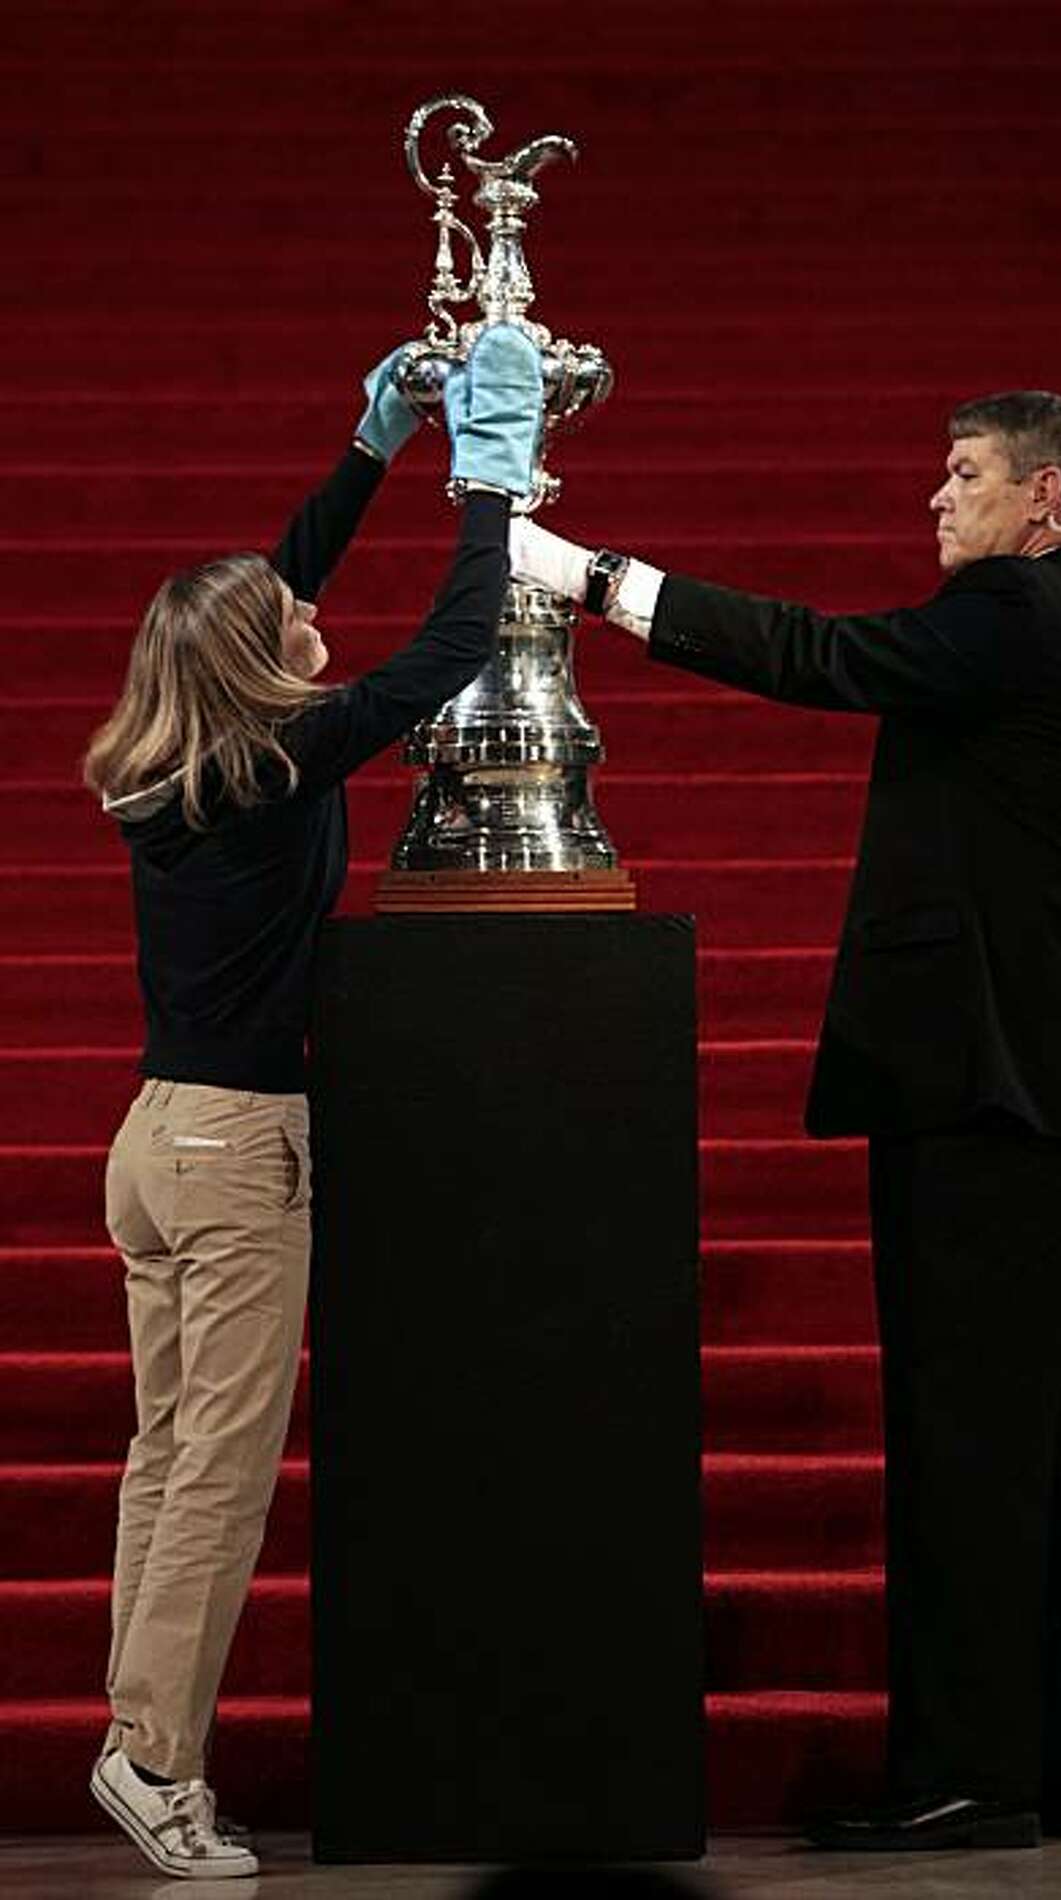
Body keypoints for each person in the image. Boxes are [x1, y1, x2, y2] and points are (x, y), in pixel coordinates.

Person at [509, 392, 1061, 1853]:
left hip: (997, 1093)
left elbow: (823, 656)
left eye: (964, 475)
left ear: (1043, 495)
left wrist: (594, 580)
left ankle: (971, 1775)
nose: (936, 500)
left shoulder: (1022, 611)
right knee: (1050, 1440)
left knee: (972, 1443)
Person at [82, 322, 544, 1879]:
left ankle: (138, 1735)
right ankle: (156, 1758)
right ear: (257, 668)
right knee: (216, 1475)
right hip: (231, 1153)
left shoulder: (183, 754)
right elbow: (452, 642)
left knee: (165, 1454)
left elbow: (271, 589)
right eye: (289, 624)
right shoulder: (284, 759)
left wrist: (368, 457)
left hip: (154, 1144)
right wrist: (484, 479)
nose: (309, 623)